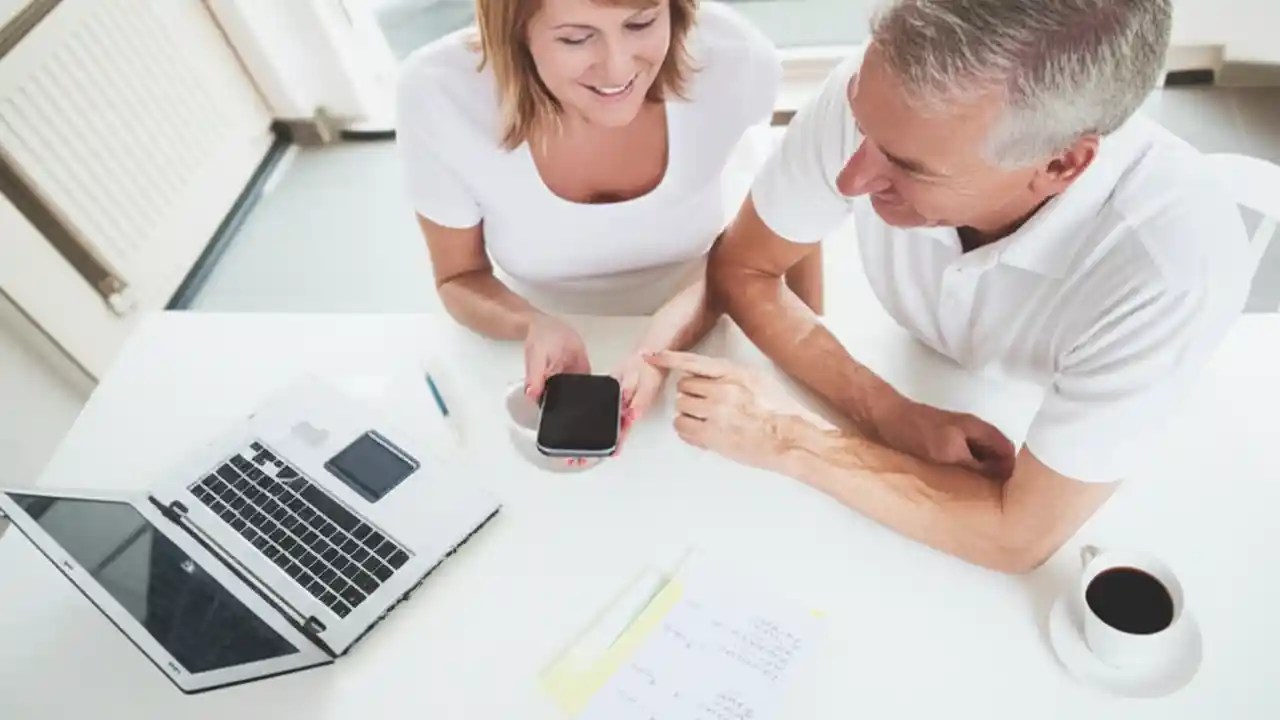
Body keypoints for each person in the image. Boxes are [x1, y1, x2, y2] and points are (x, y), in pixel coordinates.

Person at [648, 0, 1253, 572]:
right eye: (861, 127)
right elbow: (744, 267)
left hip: (1085, 443)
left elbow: (1017, 537)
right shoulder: (889, 95)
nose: (853, 179)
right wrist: (886, 412)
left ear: (1060, 166)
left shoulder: (1175, 266)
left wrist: (787, 437)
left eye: (909, 167)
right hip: (910, 368)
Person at [396, 0, 816, 440]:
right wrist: (532, 323)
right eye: (576, 38)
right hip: (537, 349)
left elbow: (793, 220)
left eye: (642, 23)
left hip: (710, 316)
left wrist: (806, 362)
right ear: (515, 30)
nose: (617, 69)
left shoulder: (735, 59)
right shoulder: (438, 92)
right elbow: (459, 277)